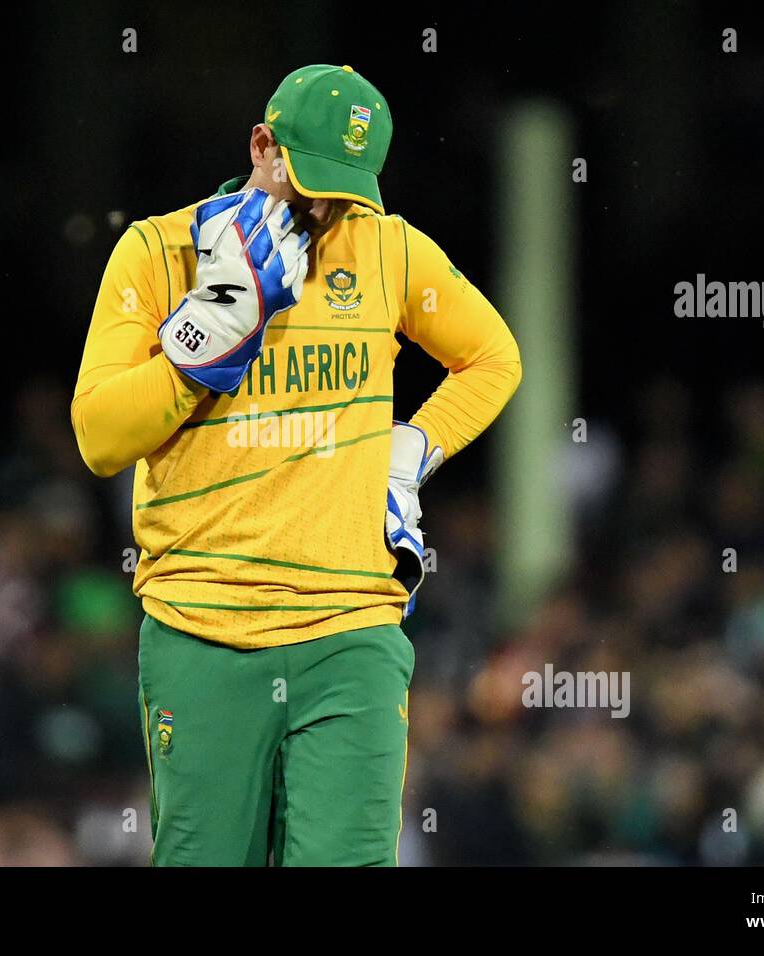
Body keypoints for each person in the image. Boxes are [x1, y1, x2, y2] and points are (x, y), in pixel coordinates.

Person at [71, 64, 522, 865]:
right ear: (262, 146)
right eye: (311, 180)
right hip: (201, 628)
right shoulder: (159, 251)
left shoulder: (387, 248)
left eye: (347, 193)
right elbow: (100, 436)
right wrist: (201, 337)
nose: (324, 209)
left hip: (351, 631)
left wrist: (412, 448)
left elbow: (493, 358)